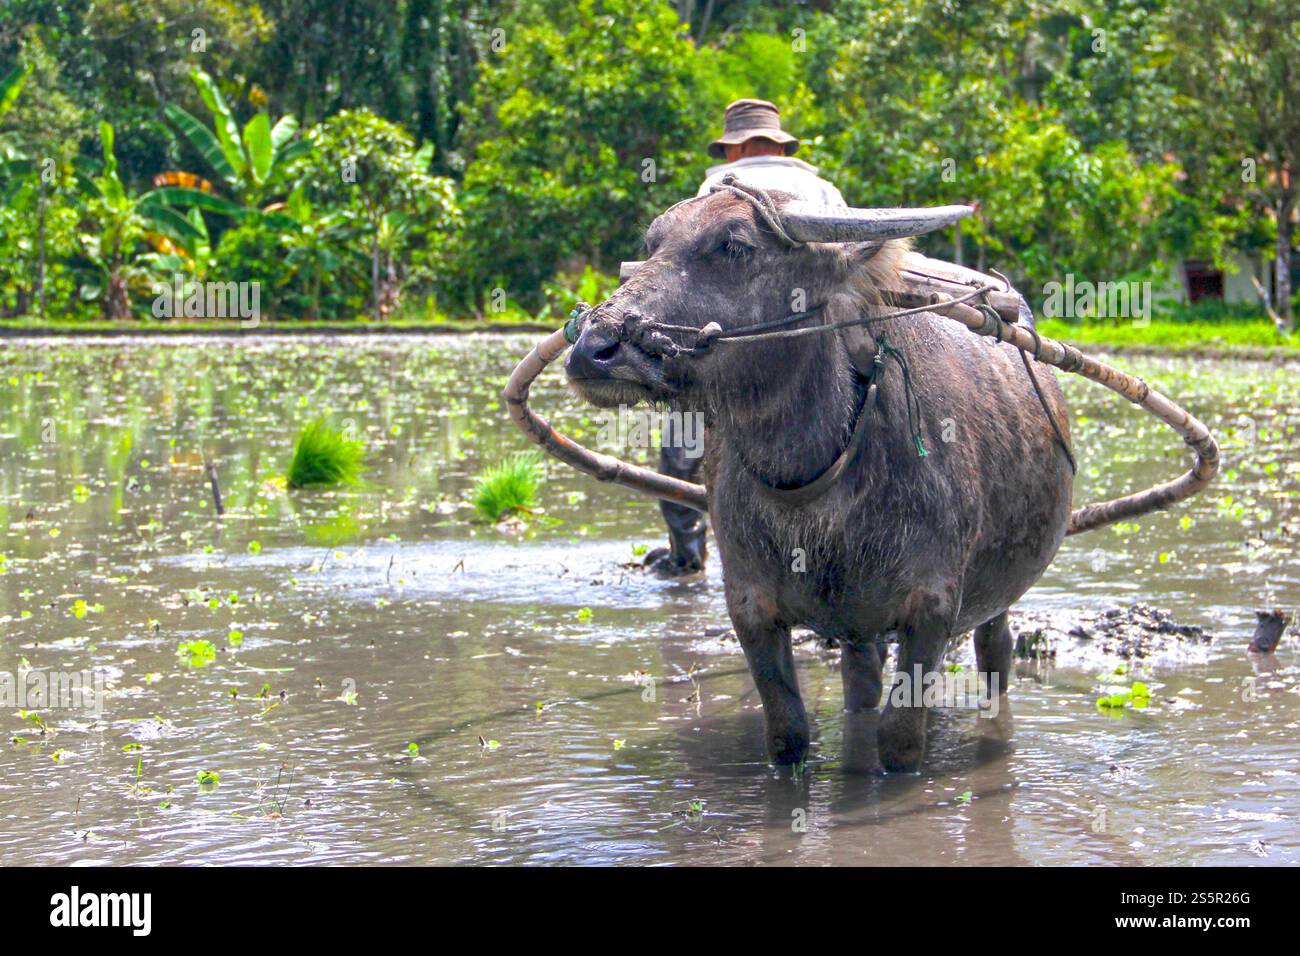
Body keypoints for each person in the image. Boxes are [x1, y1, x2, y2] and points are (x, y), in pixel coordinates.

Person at [643, 99, 847, 577]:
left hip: (728, 347)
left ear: (733, 150)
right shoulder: (821, 188)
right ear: (779, 145)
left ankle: (687, 553)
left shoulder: (715, 188)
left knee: (682, 438)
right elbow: (846, 260)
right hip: (811, 354)